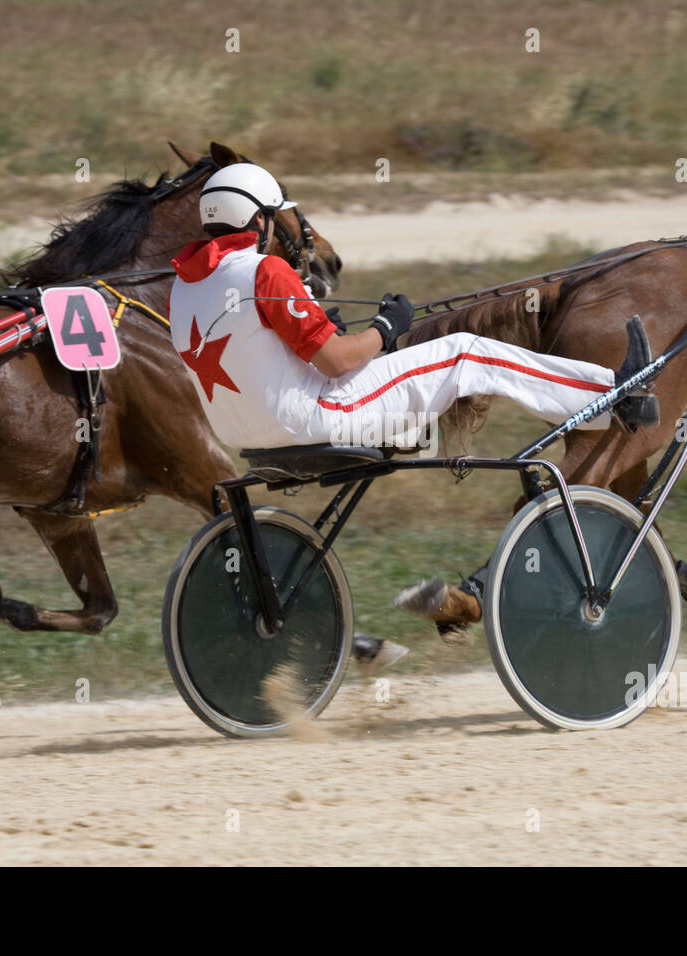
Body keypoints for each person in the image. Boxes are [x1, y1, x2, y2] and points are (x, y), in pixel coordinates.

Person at [167, 162, 657, 667]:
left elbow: (257, 353)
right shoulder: (265, 271)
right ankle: (612, 393)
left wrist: (321, 328)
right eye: (271, 217)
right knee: (466, 352)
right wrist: (384, 326)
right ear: (261, 220)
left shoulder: (182, 290)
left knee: (431, 368)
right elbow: (336, 361)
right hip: (317, 416)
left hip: (246, 434)